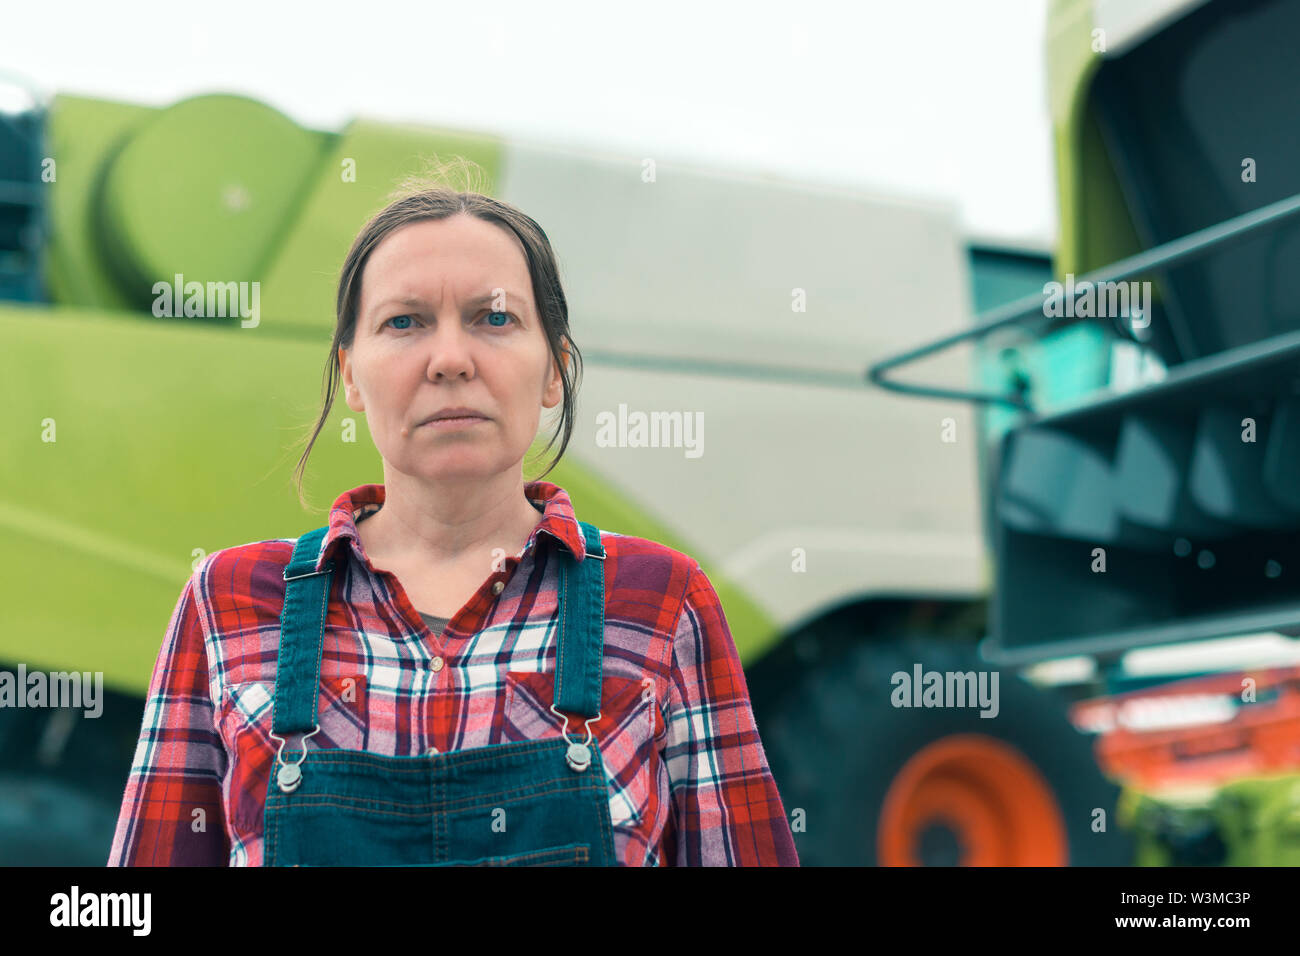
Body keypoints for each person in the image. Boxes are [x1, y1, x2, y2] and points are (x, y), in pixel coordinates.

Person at [108, 174, 799, 866]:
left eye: (493, 318)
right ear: (351, 374)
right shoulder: (227, 603)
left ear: (555, 370)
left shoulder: (659, 604)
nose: (449, 360)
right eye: (403, 322)